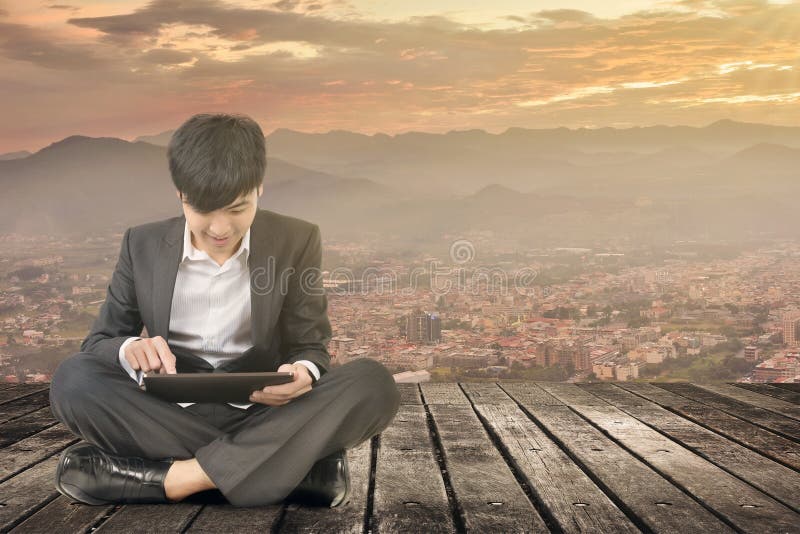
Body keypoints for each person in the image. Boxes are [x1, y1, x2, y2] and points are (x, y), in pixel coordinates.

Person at [48, 113, 400, 508]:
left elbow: (310, 344)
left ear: (259, 188)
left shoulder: (297, 239)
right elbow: (97, 342)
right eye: (204, 210)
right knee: (72, 380)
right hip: (165, 414)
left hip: (265, 414)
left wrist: (302, 370)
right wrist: (128, 348)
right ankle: (292, 470)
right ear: (181, 194)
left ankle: (178, 478)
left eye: (237, 208)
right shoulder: (141, 244)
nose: (220, 229)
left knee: (373, 384)